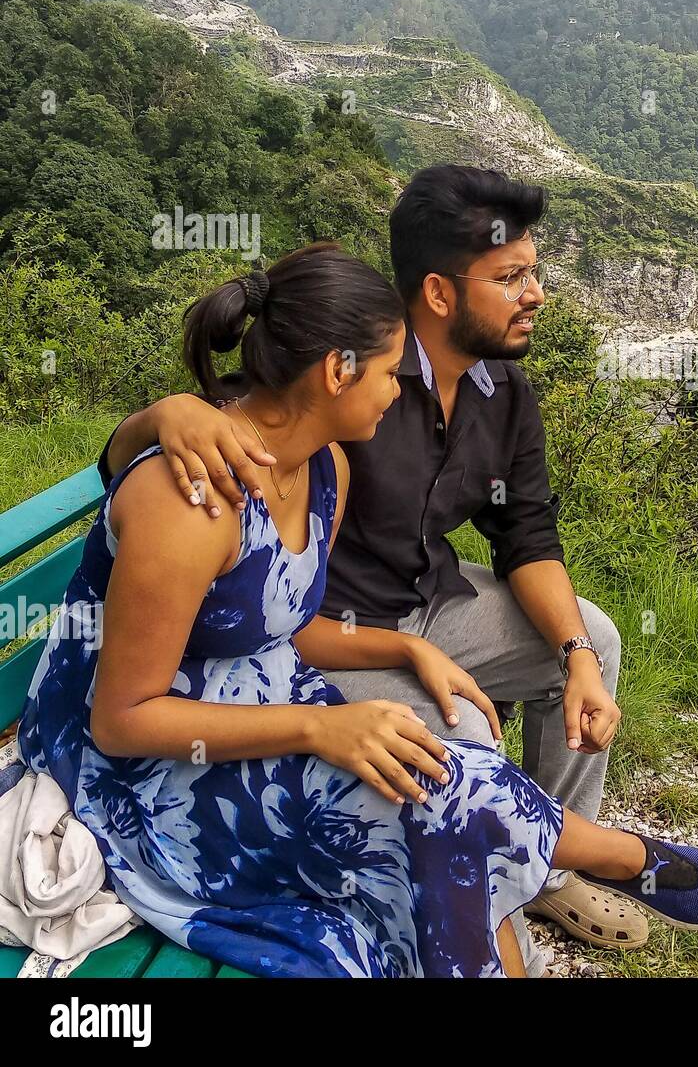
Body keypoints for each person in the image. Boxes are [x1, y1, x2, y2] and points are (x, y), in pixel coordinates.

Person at [18, 244, 698, 978]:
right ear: (338, 370)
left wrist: (406, 651)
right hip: (148, 769)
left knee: (432, 793)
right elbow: (122, 720)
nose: (397, 393)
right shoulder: (194, 505)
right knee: (439, 798)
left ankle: (595, 865)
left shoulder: (325, 467)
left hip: (257, 701)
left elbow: (288, 626)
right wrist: (321, 725)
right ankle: (619, 856)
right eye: (386, 373)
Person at [100, 166, 645, 972]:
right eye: (511, 277)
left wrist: (577, 659)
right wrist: (164, 411)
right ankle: (518, 896)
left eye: (535, 272)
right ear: (438, 291)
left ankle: (553, 863)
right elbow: (199, 447)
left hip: (419, 609)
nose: (536, 294)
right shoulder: (347, 384)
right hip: (326, 631)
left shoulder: (497, 393)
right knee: (458, 745)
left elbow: (527, 536)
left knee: (590, 635)